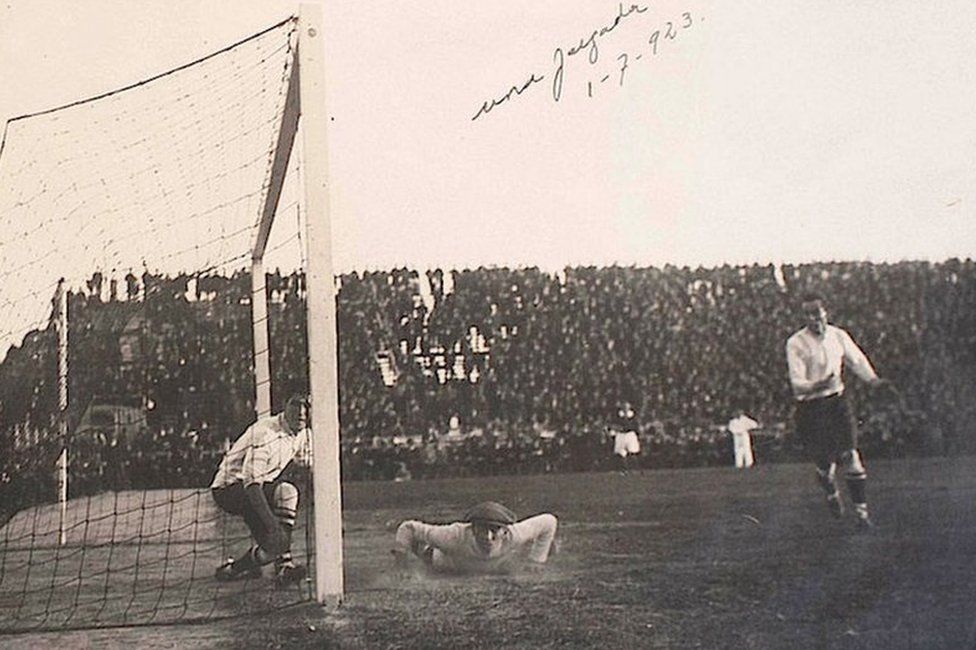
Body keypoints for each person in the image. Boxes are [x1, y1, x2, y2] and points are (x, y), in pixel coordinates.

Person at [786, 292, 886, 529]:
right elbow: (797, 383)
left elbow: (857, 361)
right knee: (825, 465)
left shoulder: (838, 335)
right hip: (811, 407)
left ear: (825, 312)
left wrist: (873, 380)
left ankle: (862, 514)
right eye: (808, 314)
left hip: (837, 403)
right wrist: (819, 384)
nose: (813, 318)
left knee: (851, 454)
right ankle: (831, 491)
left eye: (816, 312)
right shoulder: (795, 343)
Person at [210, 390, 311, 585]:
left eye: (306, 405)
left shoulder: (304, 434)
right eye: (295, 404)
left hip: (257, 487)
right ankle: (285, 564)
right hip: (229, 489)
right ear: (284, 404)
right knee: (287, 493)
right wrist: (273, 525)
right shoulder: (266, 433)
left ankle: (233, 569)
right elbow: (252, 484)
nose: (301, 411)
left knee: (271, 549)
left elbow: (309, 463)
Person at [392, 501, 558, 576]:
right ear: (471, 528)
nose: (488, 536)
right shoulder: (454, 535)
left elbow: (549, 521)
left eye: (495, 529)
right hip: (448, 563)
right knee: (424, 551)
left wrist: (537, 560)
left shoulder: (514, 534)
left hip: (498, 564)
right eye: (482, 529)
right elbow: (408, 528)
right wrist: (402, 567)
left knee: (547, 547)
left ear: (505, 530)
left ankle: (540, 549)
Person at [608, 401, 640, 474]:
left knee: (632, 452)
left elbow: (635, 425)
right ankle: (623, 469)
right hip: (621, 435)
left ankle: (635, 469)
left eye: (627, 406)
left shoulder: (633, 415)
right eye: (624, 406)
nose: (625, 408)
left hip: (630, 434)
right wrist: (616, 429)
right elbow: (612, 424)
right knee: (620, 453)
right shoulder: (617, 415)